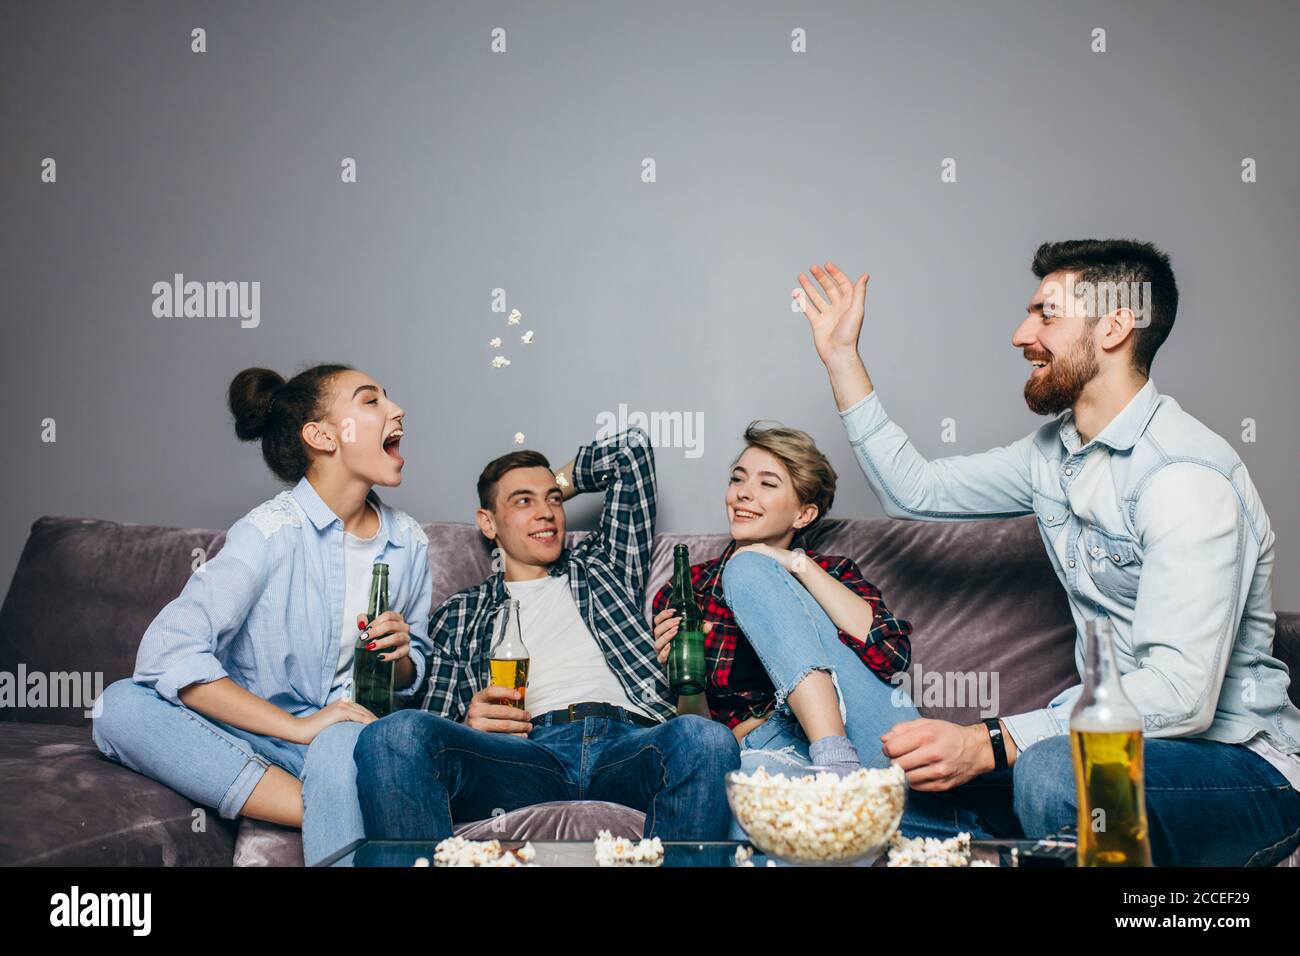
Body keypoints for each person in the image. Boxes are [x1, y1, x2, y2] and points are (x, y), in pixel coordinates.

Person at [795, 241, 1300, 865]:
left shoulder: (1185, 477)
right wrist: (842, 357)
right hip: (1101, 746)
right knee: (892, 787)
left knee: (1056, 774)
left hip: (1236, 767)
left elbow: (1181, 696)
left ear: (1115, 326)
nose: (1020, 334)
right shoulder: (1053, 454)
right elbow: (916, 490)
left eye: (1046, 314)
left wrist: (992, 742)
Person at [92, 364, 433, 865]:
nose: (396, 409)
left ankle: (329, 793)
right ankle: (322, 803)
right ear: (320, 436)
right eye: (370, 400)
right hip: (262, 736)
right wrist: (297, 728)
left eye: (388, 397)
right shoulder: (268, 533)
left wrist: (402, 655)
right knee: (117, 706)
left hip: (350, 739)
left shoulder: (409, 543)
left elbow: (415, 672)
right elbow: (168, 653)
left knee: (339, 744)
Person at [354, 428, 740, 842]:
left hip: (630, 745)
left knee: (707, 738)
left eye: (552, 500)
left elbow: (631, 453)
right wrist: (469, 721)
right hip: (528, 754)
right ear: (487, 522)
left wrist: (550, 485)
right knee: (393, 735)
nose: (546, 512)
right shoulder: (459, 613)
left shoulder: (603, 567)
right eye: (523, 501)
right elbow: (434, 722)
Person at [649, 421, 915, 798]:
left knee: (746, 564)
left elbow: (892, 658)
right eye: (738, 479)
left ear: (803, 515)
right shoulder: (688, 591)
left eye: (767, 484)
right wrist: (682, 675)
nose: (743, 494)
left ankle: (836, 765)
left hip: (857, 732)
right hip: (767, 749)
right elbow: (701, 735)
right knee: (753, 827)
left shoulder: (834, 573)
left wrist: (795, 565)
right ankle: (876, 816)